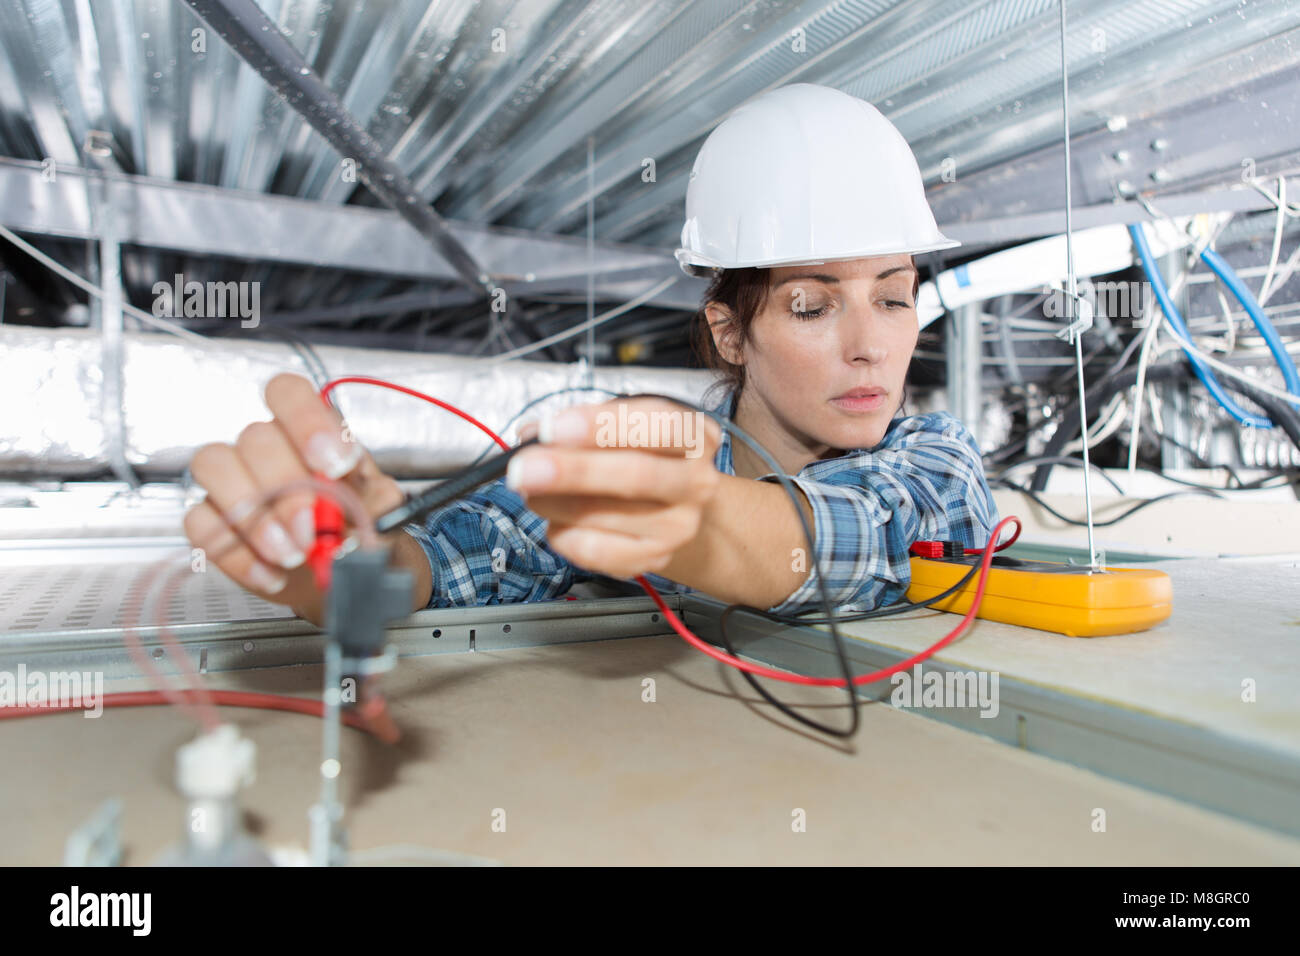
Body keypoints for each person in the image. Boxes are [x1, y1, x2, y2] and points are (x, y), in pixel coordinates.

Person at [183, 83, 997, 625]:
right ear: (729, 335)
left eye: (894, 298)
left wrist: (690, 524)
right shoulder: (637, 448)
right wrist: (363, 560)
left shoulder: (935, 462)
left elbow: (854, 530)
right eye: (812, 305)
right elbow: (470, 551)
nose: (870, 347)